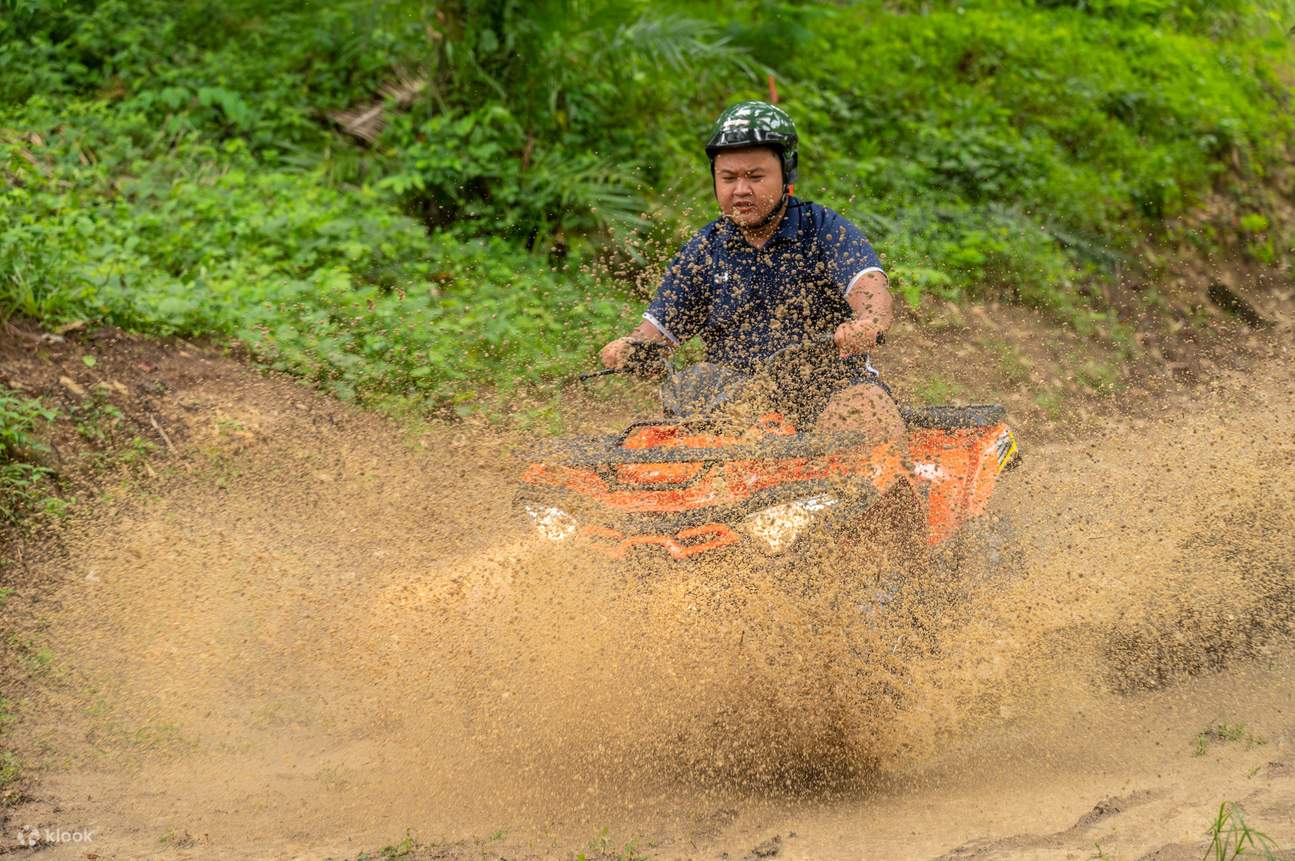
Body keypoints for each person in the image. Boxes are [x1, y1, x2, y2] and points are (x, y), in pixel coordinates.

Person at [599, 100, 905, 444]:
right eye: (728, 178)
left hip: (831, 389)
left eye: (755, 177)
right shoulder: (703, 250)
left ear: (787, 173)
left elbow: (871, 288)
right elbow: (654, 335)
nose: (740, 190)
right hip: (734, 406)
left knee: (867, 413)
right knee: (688, 395)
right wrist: (631, 350)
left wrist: (870, 323)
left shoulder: (823, 229)